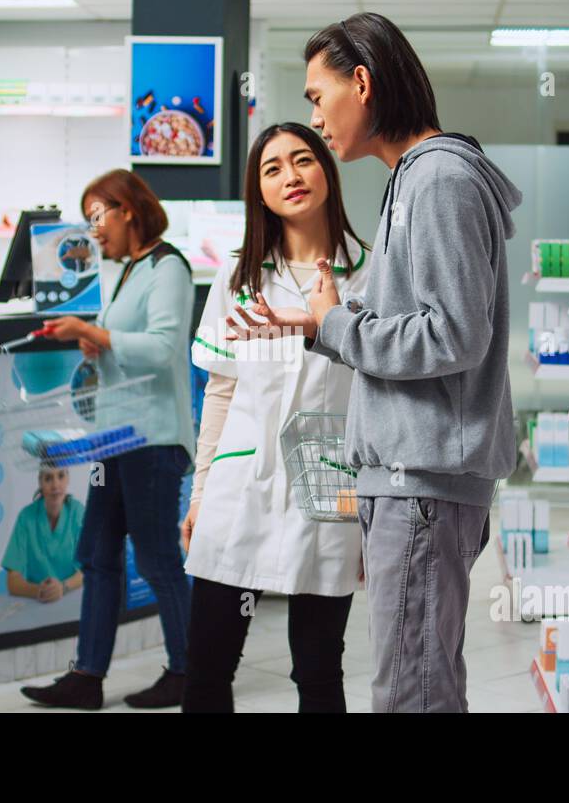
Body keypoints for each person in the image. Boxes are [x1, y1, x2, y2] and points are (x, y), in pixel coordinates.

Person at [228, 13, 521, 713]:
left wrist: (336, 323)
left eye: (316, 94)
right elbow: (427, 327)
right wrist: (332, 324)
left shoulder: (438, 180)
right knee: (421, 680)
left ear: (361, 83)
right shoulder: (415, 179)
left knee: (411, 692)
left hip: (422, 480)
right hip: (416, 478)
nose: (315, 117)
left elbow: (453, 336)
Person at [182, 122, 369, 714]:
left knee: (317, 672)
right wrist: (200, 492)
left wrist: (373, 511)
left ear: (327, 171)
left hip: (331, 488)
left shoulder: (369, 275)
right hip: (242, 487)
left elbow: (382, 395)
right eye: (272, 168)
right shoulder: (239, 277)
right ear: (258, 191)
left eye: (303, 160)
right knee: (207, 668)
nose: (290, 176)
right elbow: (220, 392)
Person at [20, 169, 195, 710]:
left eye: (99, 215)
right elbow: (126, 344)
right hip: (116, 437)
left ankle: (189, 673)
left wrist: (92, 333)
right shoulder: (125, 270)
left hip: (153, 438)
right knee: (96, 552)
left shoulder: (169, 266)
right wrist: (97, 344)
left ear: (129, 209)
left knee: (158, 559)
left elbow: (164, 349)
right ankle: (87, 677)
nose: (93, 230)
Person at [2, 466, 84, 603]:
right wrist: (39, 591)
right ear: (40, 482)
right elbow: (13, 581)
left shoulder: (77, 512)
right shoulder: (26, 517)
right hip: (36, 603)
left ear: (68, 479)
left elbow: (90, 568)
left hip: (72, 599)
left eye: (61, 476)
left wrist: (63, 587)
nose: (55, 485)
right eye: (48, 478)